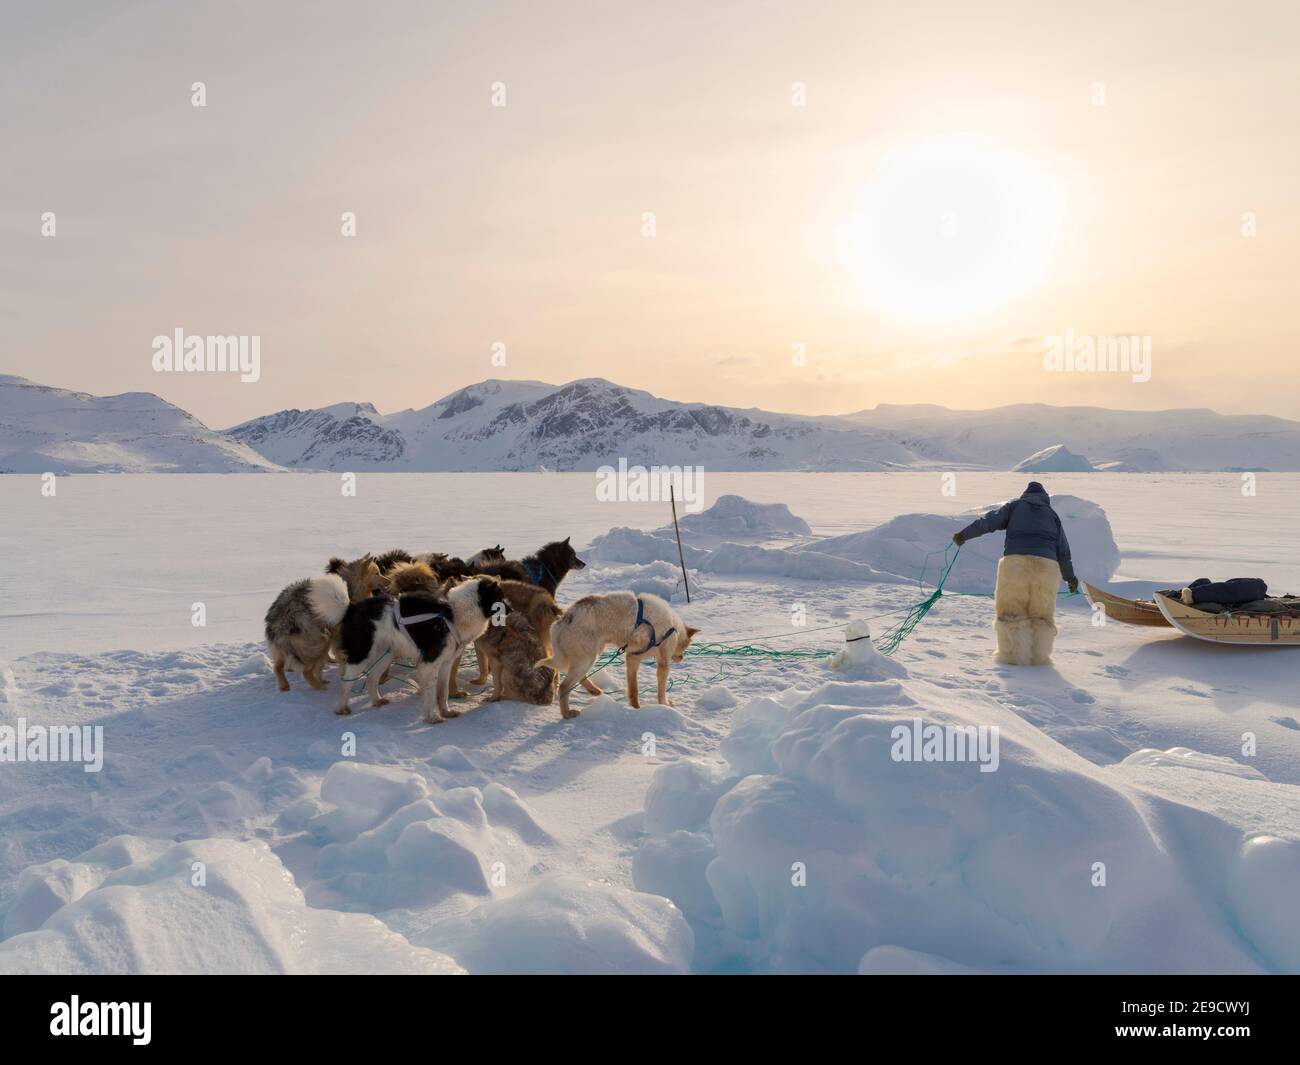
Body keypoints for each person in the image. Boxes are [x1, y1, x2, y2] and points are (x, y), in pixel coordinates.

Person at [953, 481, 1078, 666]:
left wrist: (963, 535)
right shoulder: (1053, 516)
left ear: (1025, 495)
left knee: (1011, 611)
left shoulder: (1015, 506)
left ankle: (1012, 656)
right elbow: (1064, 553)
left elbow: (988, 522)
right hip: (1046, 569)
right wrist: (1070, 578)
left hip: (1016, 565)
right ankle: (1039, 657)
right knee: (1041, 614)